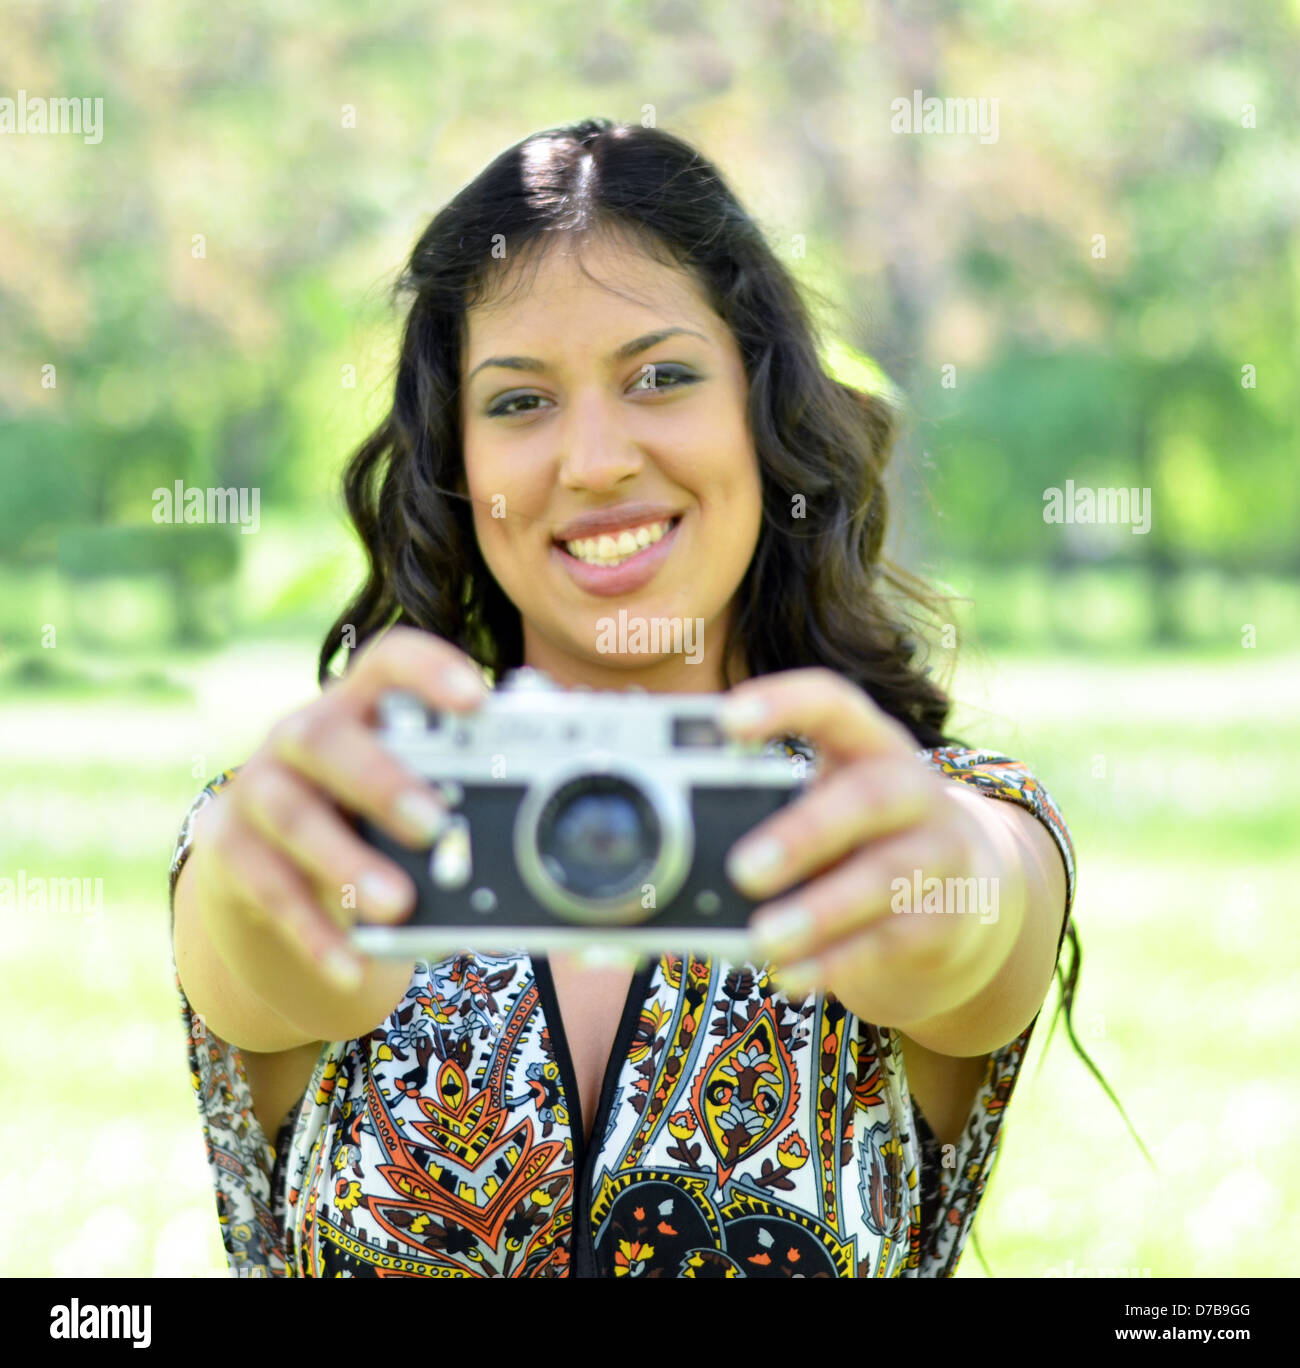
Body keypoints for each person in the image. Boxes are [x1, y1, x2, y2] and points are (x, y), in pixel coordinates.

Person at [169, 117, 1079, 1278]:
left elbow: (964, 922)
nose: (593, 459)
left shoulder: (921, 815)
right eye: (518, 402)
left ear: (759, 411)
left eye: (660, 377)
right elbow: (264, 947)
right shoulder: (316, 815)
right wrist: (277, 882)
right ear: (459, 462)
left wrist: (923, 882)